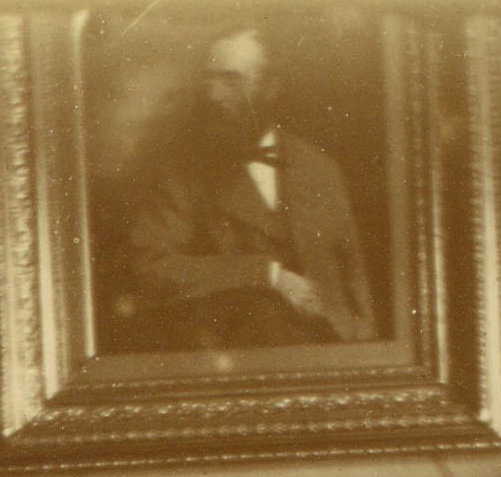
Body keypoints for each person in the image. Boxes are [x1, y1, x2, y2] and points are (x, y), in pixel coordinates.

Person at [119, 25, 378, 350]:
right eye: (209, 80)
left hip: (331, 354)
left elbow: (354, 283)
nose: (214, 95)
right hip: (237, 357)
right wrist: (265, 274)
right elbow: (149, 267)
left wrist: (365, 356)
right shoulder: (185, 173)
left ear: (270, 87)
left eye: (231, 80)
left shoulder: (319, 169)